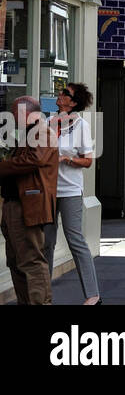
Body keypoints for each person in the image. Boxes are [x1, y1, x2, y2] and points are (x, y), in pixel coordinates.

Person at [43, 83, 100, 304]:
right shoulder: (48, 122)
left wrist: (67, 159)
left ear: (73, 102)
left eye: (65, 93)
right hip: (48, 190)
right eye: (61, 91)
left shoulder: (81, 126)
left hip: (70, 191)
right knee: (46, 242)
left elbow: (87, 160)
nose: (60, 94)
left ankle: (93, 295)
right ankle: (43, 294)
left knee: (75, 240)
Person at [0, 96, 57, 304]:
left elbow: (34, 160)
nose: (13, 116)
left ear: (26, 112)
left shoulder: (42, 131)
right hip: (15, 204)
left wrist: (3, 166)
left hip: (27, 207)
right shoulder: (29, 133)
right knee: (16, 262)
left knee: (31, 261)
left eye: (15, 112)